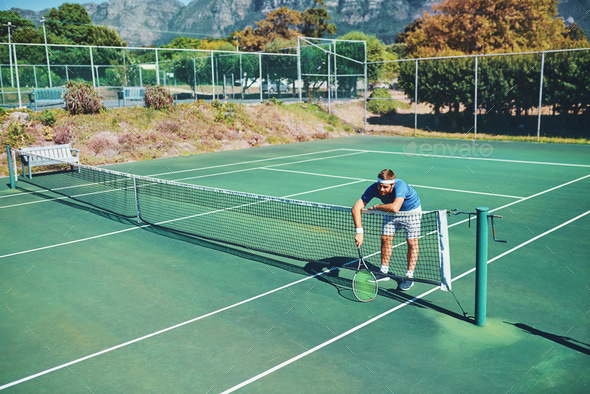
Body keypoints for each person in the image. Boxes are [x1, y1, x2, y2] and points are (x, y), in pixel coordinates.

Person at [352, 169, 422, 291]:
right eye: (380, 186)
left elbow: (395, 208)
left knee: (412, 242)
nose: (381, 189)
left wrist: (376, 207)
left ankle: (409, 276)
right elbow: (356, 208)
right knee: (385, 238)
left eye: (385, 187)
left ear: (393, 184)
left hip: (411, 213)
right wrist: (359, 232)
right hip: (390, 212)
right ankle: (383, 272)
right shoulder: (374, 188)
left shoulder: (401, 186)